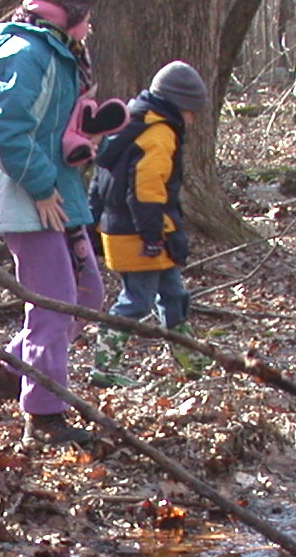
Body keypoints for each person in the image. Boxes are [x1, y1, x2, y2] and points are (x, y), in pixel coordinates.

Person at [0, 0, 107, 448]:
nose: (91, 25)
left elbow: (52, 123)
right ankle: (43, 412)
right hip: (29, 201)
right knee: (53, 302)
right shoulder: (23, 52)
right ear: (68, 10)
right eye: (88, 13)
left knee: (87, 293)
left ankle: (16, 370)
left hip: (59, 196)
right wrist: (44, 184)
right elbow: (4, 130)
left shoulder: (58, 53)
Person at [89, 61, 210, 386]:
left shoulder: (129, 122)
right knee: (137, 300)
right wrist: (153, 236)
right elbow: (147, 189)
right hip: (140, 234)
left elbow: (99, 179)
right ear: (177, 105)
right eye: (191, 111)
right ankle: (104, 367)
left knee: (173, 294)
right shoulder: (158, 133)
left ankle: (191, 363)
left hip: (128, 228)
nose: (193, 119)